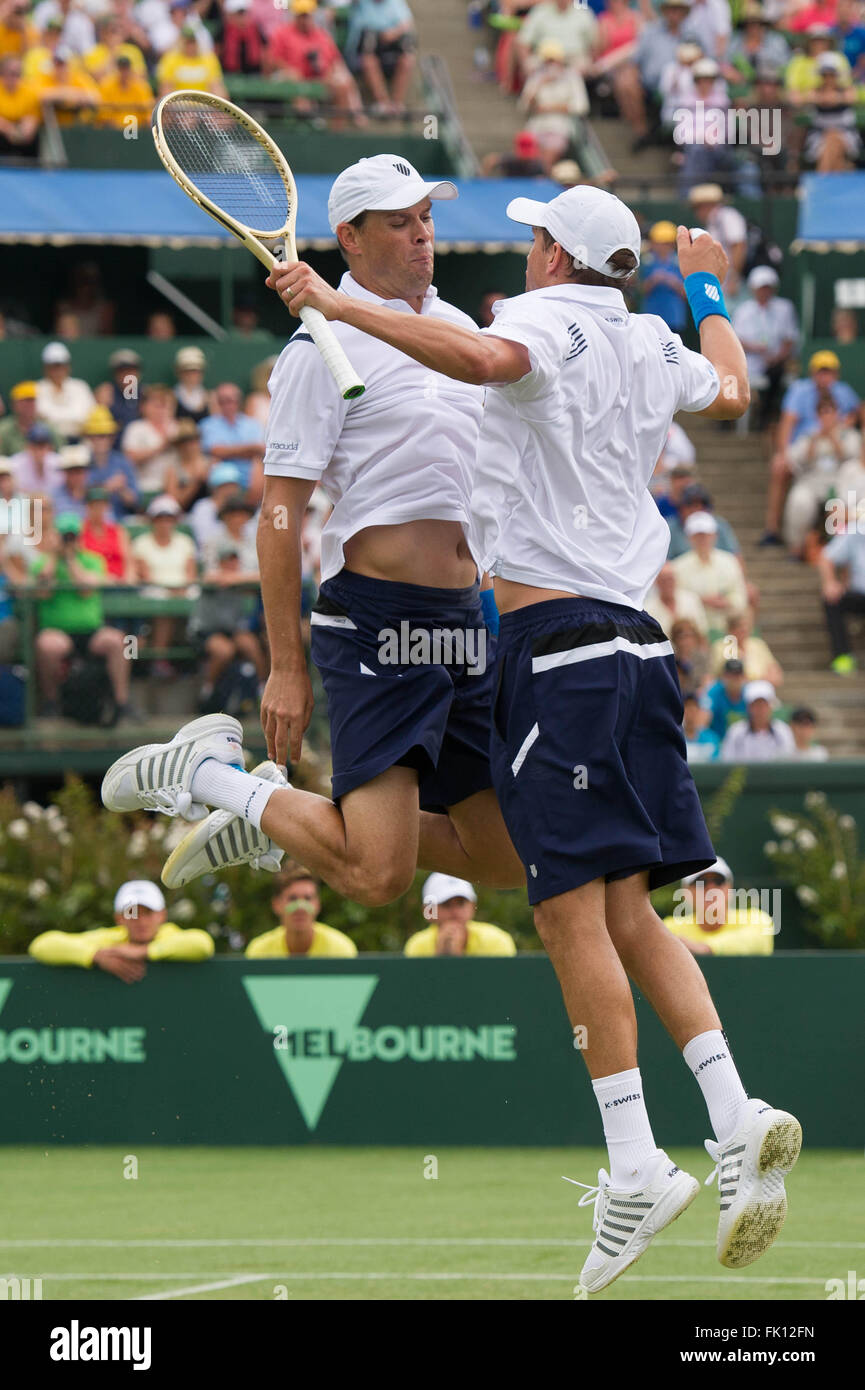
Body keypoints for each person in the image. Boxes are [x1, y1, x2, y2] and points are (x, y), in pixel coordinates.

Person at [263, 184, 800, 1287]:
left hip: (555, 652)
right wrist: (705, 285)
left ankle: (635, 1165)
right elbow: (736, 386)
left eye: (536, 237)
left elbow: (485, 367)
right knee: (621, 907)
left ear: (558, 257)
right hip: (643, 654)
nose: (523, 249)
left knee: (566, 917)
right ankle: (732, 1111)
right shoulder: (652, 336)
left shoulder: (532, 323)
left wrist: (334, 303)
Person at [106, 154, 522, 929]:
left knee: (501, 856)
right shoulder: (311, 353)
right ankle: (213, 776)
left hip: (463, 622)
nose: (422, 235)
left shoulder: (463, 332)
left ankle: (270, 808)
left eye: (426, 217)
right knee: (375, 877)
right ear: (350, 240)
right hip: (376, 619)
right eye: (399, 223)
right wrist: (285, 667)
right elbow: (279, 516)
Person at [29, 511, 132, 718]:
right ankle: (51, 701)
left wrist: (70, 559)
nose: (69, 540)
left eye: (72, 536)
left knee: (123, 642)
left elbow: (85, 589)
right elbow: (42, 592)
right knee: (46, 645)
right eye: (65, 536)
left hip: (91, 631)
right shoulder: (43, 562)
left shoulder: (92, 560)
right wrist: (53, 557)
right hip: (56, 631)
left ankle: (122, 702)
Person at [762, 349, 859, 547]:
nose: (824, 376)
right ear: (813, 372)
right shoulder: (800, 390)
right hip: (805, 454)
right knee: (781, 470)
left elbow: (857, 413)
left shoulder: (844, 392)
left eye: (828, 371)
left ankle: (842, 546)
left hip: (839, 463)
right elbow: (787, 423)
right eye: (820, 371)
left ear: (836, 374)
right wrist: (783, 455)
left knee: (849, 489)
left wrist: (842, 426)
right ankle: (773, 530)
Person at [29, 878, 214, 980]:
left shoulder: (171, 934)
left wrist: (142, 952)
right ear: (119, 918)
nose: (140, 921)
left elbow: (203, 944)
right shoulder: (110, 939)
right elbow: (41, 945)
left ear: (162, 915)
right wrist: (96, 955)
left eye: (148, 913)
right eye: (132, 913)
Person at [265, 0, 365, 125]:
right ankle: (308, 118)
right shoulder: (282, 33)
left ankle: (338, 132)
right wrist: (289, 69)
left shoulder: (321, 35)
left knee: (342, 85)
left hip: (317, 79)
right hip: (289, 80)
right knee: (293, 78)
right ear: (295, 16)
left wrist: (324, 69)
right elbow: (271, 60)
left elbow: (334, 62)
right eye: (302, 15)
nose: (305, 19)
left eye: (307, 15)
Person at [784, 393, 861, 554]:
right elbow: (795, 460)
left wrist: (833, 438)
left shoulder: (848, 435)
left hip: (840, 484)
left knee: (843, 506)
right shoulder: (809, 436)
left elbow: (855, 460)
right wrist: (813, 444)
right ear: (817, 415)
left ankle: (840, 553)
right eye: (823, 412)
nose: (827, 416)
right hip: (812, 482)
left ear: (837, 413)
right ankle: (797, 548)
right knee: (800, 501)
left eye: (830, 412)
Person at [731, 266, 799, 431]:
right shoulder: (743, 311)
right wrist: (756, 349)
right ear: (754, 289)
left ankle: (766, 416)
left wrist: (777, 357)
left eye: (768, 287)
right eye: (761, 287)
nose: (765, 292)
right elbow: (736, 340)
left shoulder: (784, 308)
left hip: (775, 363)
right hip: (749, 363)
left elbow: (790, 339)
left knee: (777, 372)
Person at [663, 858, 775, 955]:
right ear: (686, 893)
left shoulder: (757, 918)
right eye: (701, 882)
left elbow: (756, 940)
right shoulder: (669, 927)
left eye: (718, 881)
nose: (711, 888)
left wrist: (704, 948)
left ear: (729, 889)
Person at [244, 866, 357, 957]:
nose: (300, 907)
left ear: (318, 904)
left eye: (308, 898)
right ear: (276, 904)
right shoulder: (258, 953)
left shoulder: (342, 950)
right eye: (292, 898)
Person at [670, 511, 748, 637]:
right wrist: (701, 601)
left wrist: (726, 602)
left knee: (731, 655)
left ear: (714, 536)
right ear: (689, 538)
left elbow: (741, 597)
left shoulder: (729, 562)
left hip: (727, 631)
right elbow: (677, 602)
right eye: (697, 535)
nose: (702, 539)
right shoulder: (678, 567)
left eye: (706, 535)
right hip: (695, 635)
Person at [405, 872, 517, 956]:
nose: (455, 912)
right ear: (428, 911)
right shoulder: (416, 946)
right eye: (446, 904)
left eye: (461, 903)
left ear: (472, 906)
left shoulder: (497, 941)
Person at [344, 0, 417, 117]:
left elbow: (407, 23)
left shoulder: (396, 3)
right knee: (368, 60)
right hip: (365, 50)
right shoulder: (361, 4)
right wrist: (382, 34)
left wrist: (392, 33)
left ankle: (397, 104)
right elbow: (363, 29)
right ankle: (383, 103)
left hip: (390, 47)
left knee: (407, 59)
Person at [199, 381, 264, 499]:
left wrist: (230, 451)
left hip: (251, 474)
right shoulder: (208, 424)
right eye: (222, 401)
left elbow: (260, 450)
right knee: (226, 473)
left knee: (260, 471)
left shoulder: (253, 424)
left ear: (239, 401)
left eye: (230, 400)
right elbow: (217, 451)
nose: (227, 405)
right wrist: (250, 448)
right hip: (222, 475)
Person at [818, 510, 865, 673]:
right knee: (832, 599)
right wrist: (830, 582)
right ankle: (842, 656)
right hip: (860, 596)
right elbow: (826, 557)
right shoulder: (857, 530)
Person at [35, 342, 96, 443]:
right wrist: (75, 420)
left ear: (68, 366)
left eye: (61, 365)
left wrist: (55, 418)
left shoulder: (80, 387)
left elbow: (90, 416)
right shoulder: (37, 388)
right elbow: (43, 418)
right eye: (54, 366)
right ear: (46, 368)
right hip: (48, 443)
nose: (58, 370)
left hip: (81, 441)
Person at [720, 679, 795, 760]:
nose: (760, 709)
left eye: (764, 704)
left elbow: (788, 761)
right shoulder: (735, 732)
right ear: (749, 707)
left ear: (770, 706)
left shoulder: (783, 730)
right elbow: (727, 761)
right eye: (756, 705)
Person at [709, 607, 783, 687]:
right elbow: (728, 676)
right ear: (730, 629)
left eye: (746, 625)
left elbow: (775, 672)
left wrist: (762, 682)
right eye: (739, 626)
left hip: (762, 691)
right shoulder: (720, 647)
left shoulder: (758, 644)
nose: (744, 629)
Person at [638, 221, 687, 334]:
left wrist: (673, 282)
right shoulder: (647, 262)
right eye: (658, 243)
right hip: (651, 317)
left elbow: (686, 294)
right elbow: (642, 290)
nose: (661, 247)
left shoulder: (680, 263)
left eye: (665, 243)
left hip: (674, 318)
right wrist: (653, 280)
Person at [156, 21, 226, 96]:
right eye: (187, 42)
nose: (190, 46)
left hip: (203, 105)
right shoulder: (170, 58)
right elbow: (166, 88)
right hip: (178, 104)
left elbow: (216, 86)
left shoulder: (209, 59)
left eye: (193, 42)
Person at [645, 560, 708, 637]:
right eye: (663, 580)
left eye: (670, 579)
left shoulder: (692, 600)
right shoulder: (647, 609)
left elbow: (702, 630)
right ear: (656, 583)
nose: (667, 584)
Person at [0, 381, 61, 456]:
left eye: (32, 400)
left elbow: (61, 453)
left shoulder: (48, 427)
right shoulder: (3, 429)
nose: (29, 405)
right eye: (25, 401)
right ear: (14, 404)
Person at [705, 655, 747, 740]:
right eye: (730, 675)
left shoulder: (749, 693)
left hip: (744, 746)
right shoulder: (714, 692)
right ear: (724, 676)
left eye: (737, 675)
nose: (734, 679)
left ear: (743, 677)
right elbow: (703, 718)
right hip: (719, 743)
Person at [682, 690, 720, 762]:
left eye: (694, 706)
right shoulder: (676, 737)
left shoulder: (711, 738)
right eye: (687, 706)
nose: (691, 710)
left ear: (699, 710)